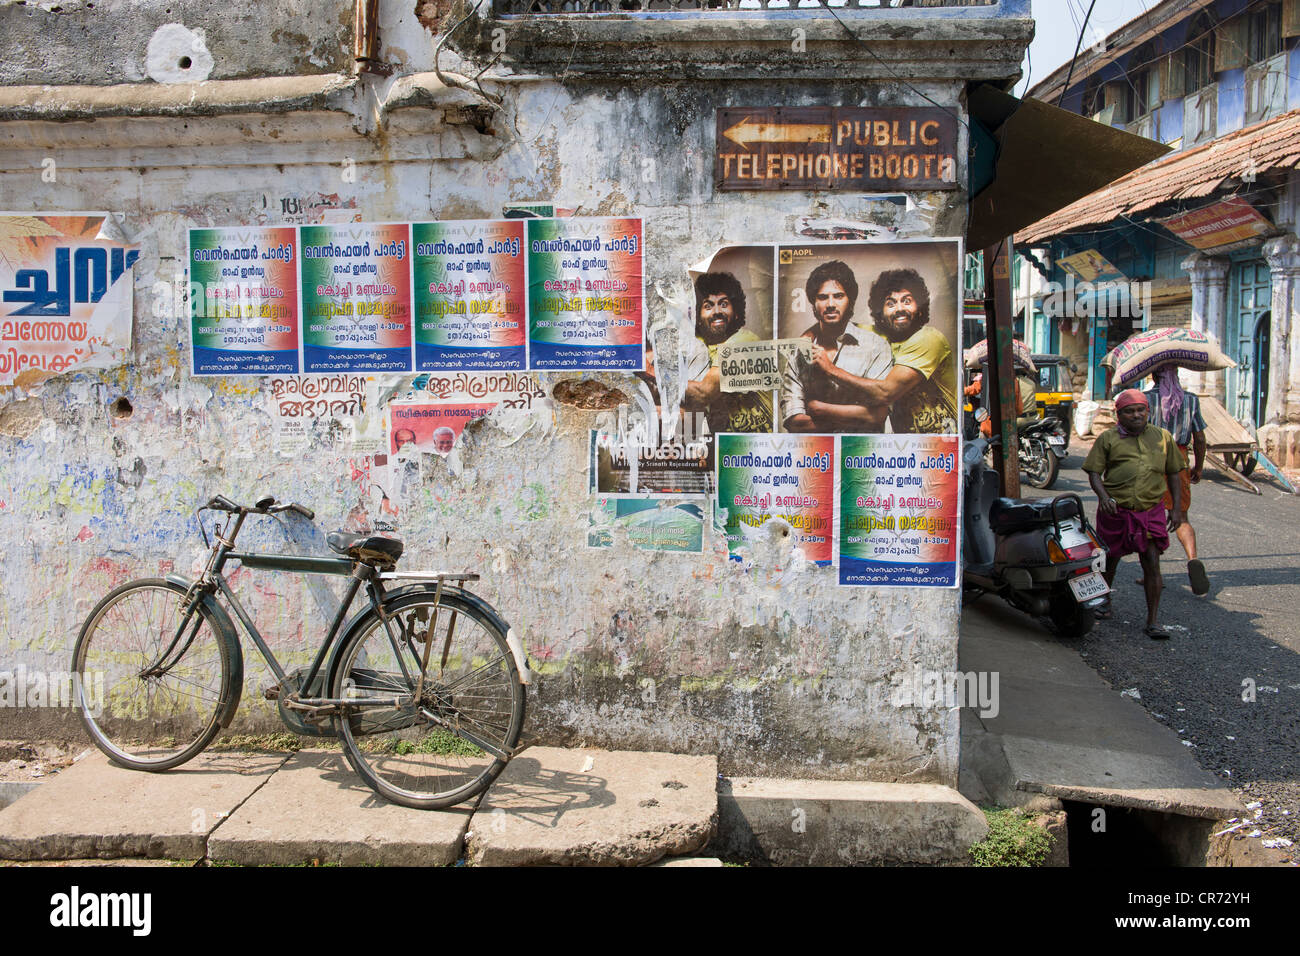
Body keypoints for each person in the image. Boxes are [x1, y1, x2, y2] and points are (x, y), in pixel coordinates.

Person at [1082, 389, 1186, 639]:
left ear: (1148, 412)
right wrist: (1104, 497)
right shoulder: (1107, 438)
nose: (1136, 415)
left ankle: (1153, 621)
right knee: (1109, 561)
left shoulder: (1163, 438)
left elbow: (1174, 473)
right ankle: (1104, 602)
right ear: (1119, 414)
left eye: (1141, 410)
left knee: (1152, 563)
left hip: (1151, 511)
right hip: (1116, 511)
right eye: (1129, 411)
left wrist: (1177, 510)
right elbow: (1094, 472)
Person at [801, 267, 957, 434]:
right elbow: (832, 325)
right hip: (906, 445)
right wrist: (806, 337)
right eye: (890, 303)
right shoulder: (879, 336)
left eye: (907, 301)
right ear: (880, 312)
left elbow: (887, 392)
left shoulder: (929, 338)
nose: (899, 309)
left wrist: (831, 370)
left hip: (943, 444)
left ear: (919, 306)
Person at [780, 260, 892, 432]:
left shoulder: (875, 346)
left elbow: (879, 414)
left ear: (850, 301)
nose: (830, 304)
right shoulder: (798, 352)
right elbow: (795, 422)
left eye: (838, 296)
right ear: (813, 304)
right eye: (822, 297)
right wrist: (859, 418)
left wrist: (819, 407)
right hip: (816, 454)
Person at [1144, 366, 1210, 595]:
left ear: (1153, 376)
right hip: (1180, 458)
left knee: (1151, 516)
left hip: (1151, 460)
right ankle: (1193, 559)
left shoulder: (1145, 400)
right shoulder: (1191, 400)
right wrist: (1198, 467)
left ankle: (1153, 575)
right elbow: (1200, 438)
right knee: (1181, 517)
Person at [682, 271, 773, 432]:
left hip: (756, 444)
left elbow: (704, 393)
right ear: (698, 315)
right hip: (719, 445)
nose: (717, 311)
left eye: (724, 304)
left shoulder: (745, 341)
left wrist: (651, 371)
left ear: (736, 311)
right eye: (708, 306)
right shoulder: (699, 343)